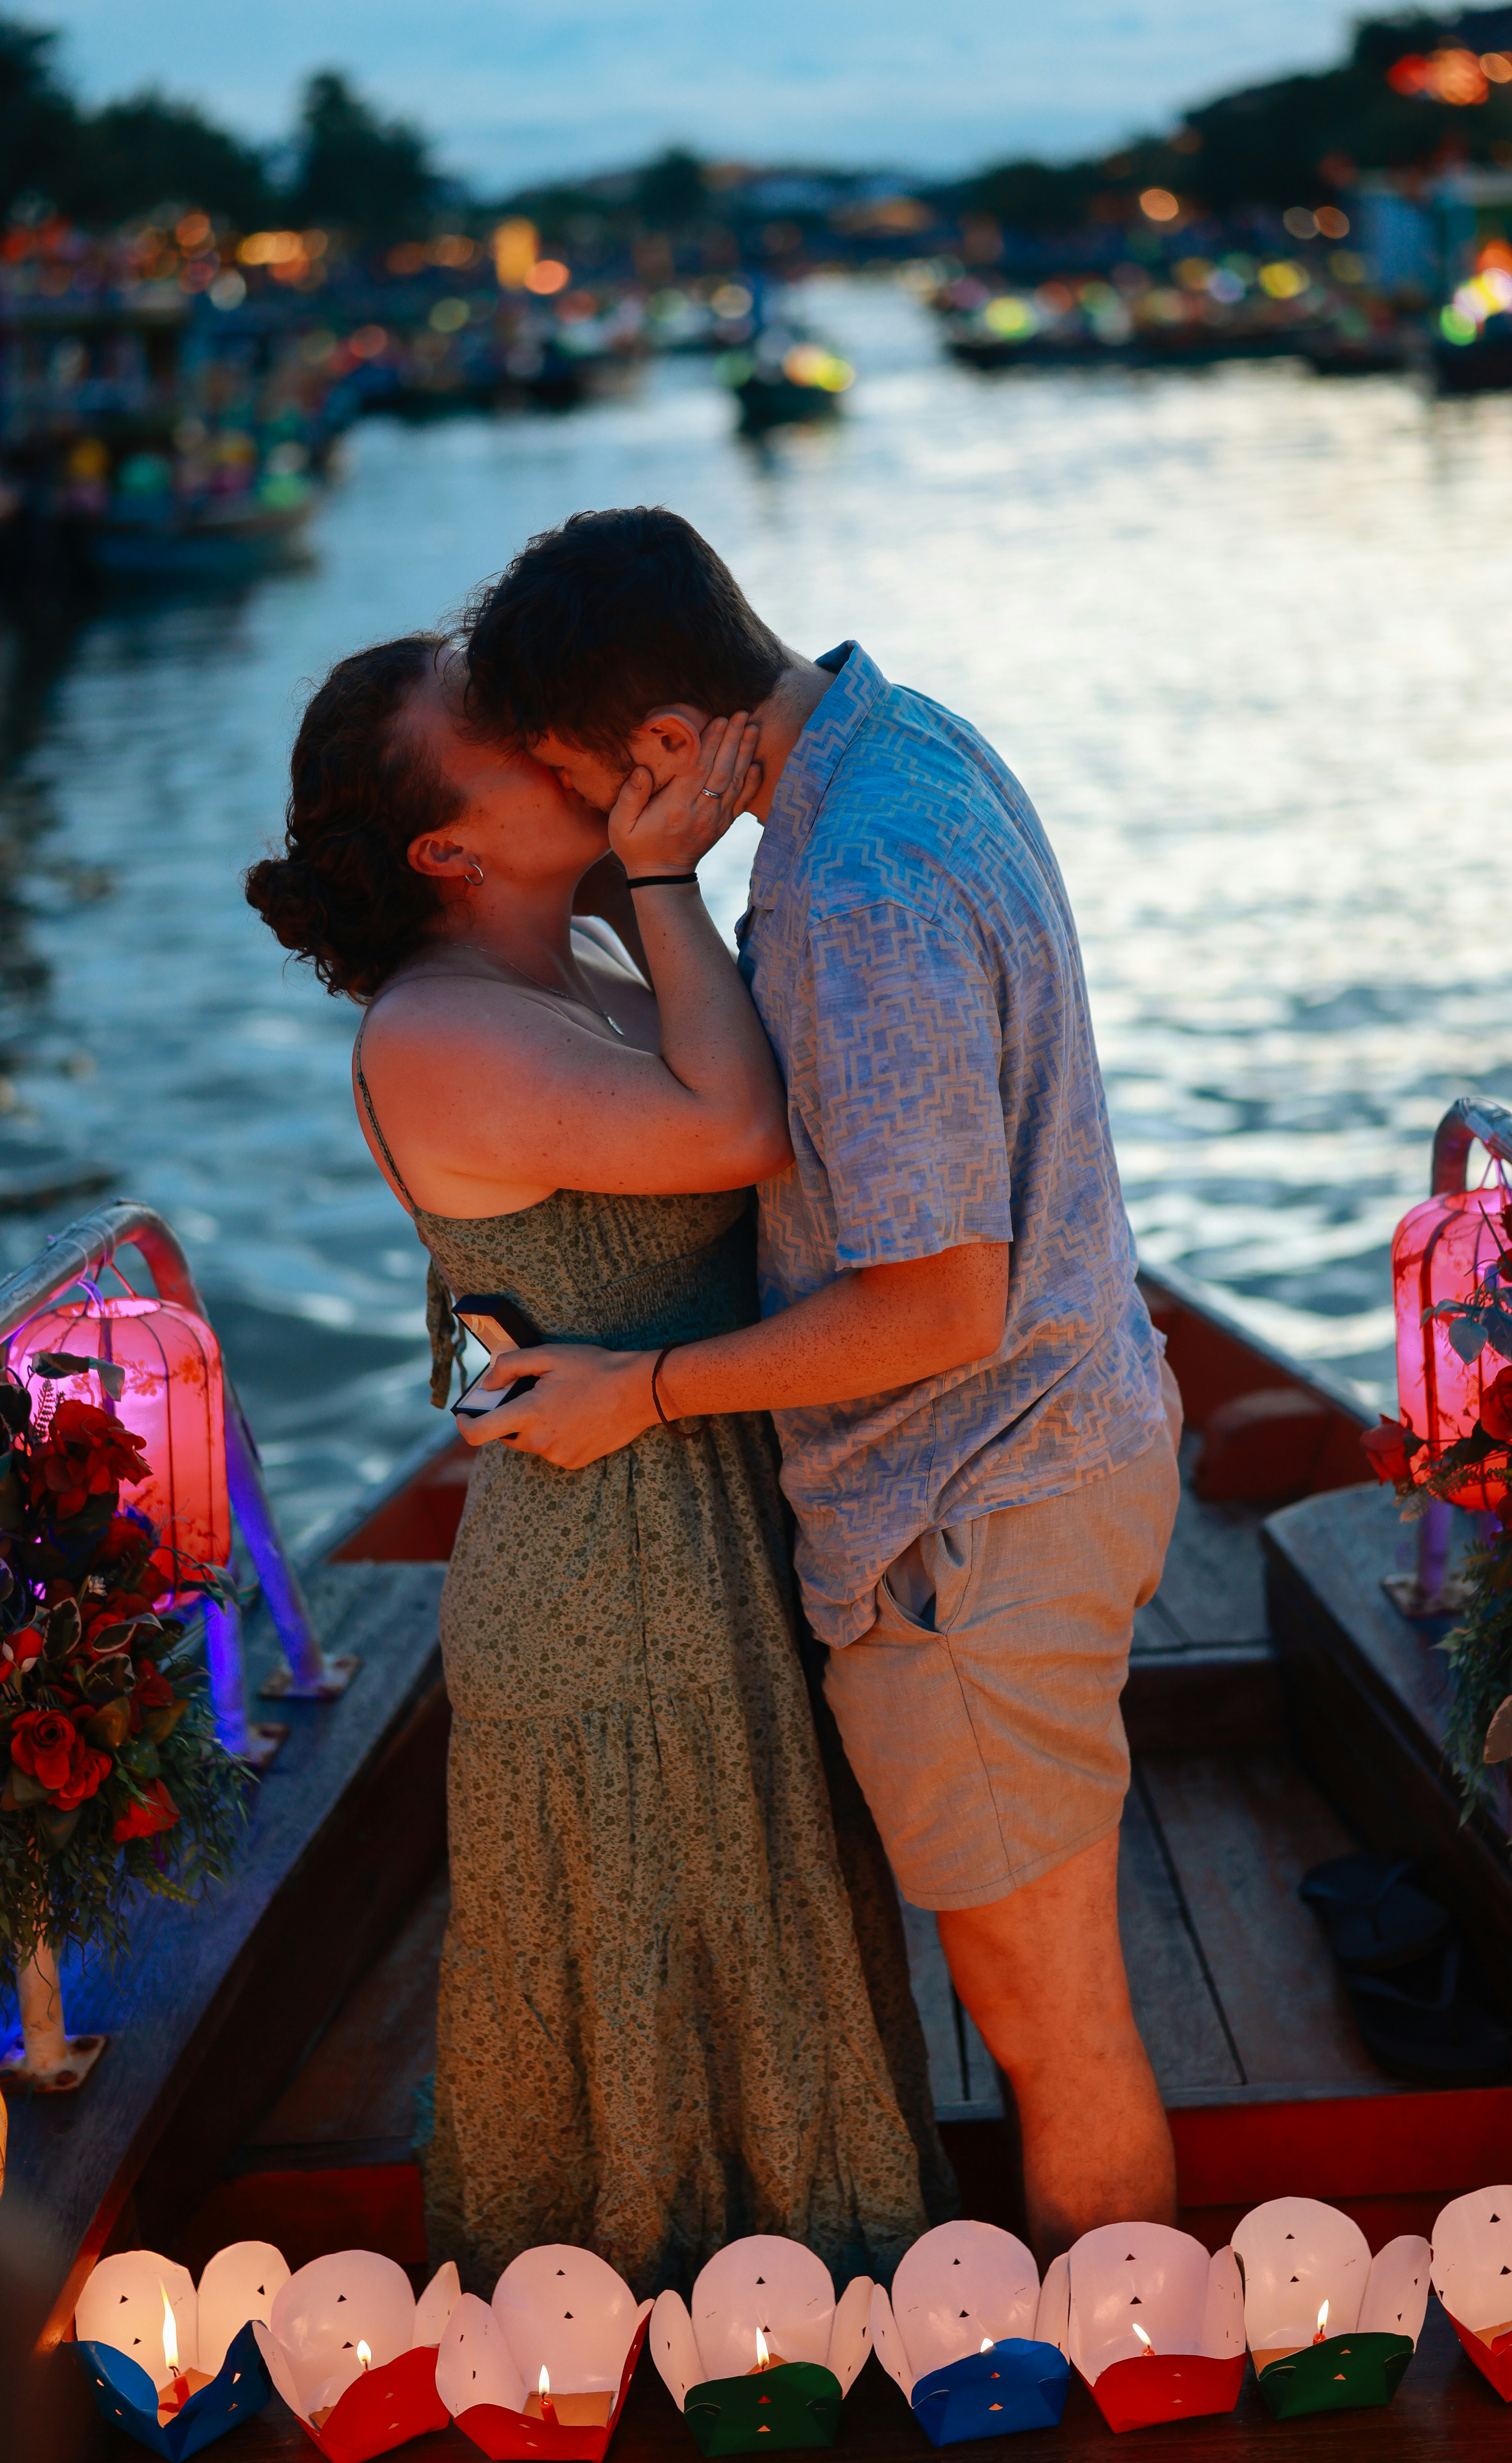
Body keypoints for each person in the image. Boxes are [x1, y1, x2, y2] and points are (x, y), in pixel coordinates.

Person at [458, 508, 1186, 2262]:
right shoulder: (902, 733)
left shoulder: (858, 892)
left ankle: (1131, 2434)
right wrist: (676, 883)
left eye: (579, 783)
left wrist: (638, 1391)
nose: (571, 823)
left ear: (657, 751)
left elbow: (936, 1303)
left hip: (972, 1515)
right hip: (1058, 1447)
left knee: (1057, 2031)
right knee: (1052, 2004)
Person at [244, 634, 940, 2299]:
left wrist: (653, 885)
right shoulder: (439, 1033)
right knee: (658, 1936)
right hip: (608, 1561)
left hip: (711, 1492)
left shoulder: (574, 956)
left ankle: (814, 2336)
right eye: (498, 736)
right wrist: (656, 864)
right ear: (446, 851)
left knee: (768, 1921)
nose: (549, 734)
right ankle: (634, 2363)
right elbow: (737, 1135)